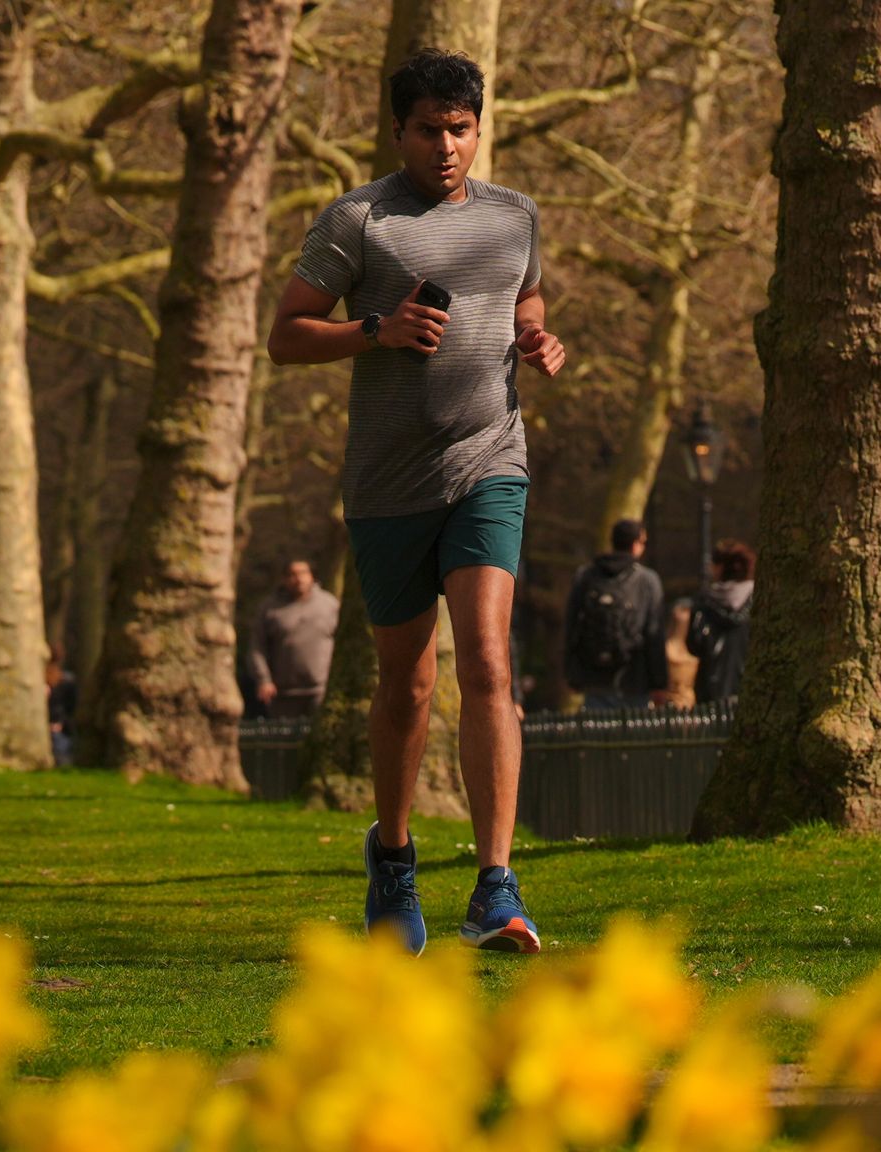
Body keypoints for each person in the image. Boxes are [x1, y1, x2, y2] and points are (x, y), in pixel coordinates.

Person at [267, 48, 565, 954]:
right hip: (390, 483)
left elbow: (527, 304)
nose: (446, 145)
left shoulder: (515, 217)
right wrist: (376, 328)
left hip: (490, 461)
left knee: (485, 661)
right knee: (408, 683)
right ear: (399, 131)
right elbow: (284, 334)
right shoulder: (360, 220)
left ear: (480, 130)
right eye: (430, 128)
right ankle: (393, 863)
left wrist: (540, 339)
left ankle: (495, 888)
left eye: (462, 128)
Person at [564, 519, 669, 711]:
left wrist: (572, 674)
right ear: (635, 544)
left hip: (594, 677)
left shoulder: (586, 576)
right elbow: (654, 634)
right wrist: (659, 683)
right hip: (634, 677)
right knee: (633, 738)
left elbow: (571, 626)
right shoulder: (647, 580)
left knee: (599, 735)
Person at [249, 560, 340, 718]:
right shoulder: (270, 608)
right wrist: (263, 679)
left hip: (322, 690)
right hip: (282, 694)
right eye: (292, 574)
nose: (299, 579)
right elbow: (257, 647)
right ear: (284, 579)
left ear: (312, 576)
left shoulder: (330, 604)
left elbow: (344, 643)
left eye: (303, 573)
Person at [688, 539, 755, 704]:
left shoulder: (705, 601)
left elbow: (694, 645)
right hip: (747, 688)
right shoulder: (757, 600)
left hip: (709, 689)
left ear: (720, 567)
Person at [45, 645, 78, 766]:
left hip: (58, 728)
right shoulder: (38, 680)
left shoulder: (66, 681)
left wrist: (60, 723)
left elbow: (69, 707)